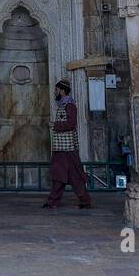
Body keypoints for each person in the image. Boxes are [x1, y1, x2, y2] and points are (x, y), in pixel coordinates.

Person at [43, 79, 91, 209]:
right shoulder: (63, 105)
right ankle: (55, 201)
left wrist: (54, 124)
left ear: (62, 91)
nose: (55, 92)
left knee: (69, 174)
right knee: (63, 175)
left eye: (57, 89)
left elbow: (71, 124)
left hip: (67, 147)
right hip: (62, 147)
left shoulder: (69, 105)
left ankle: (55, 201)